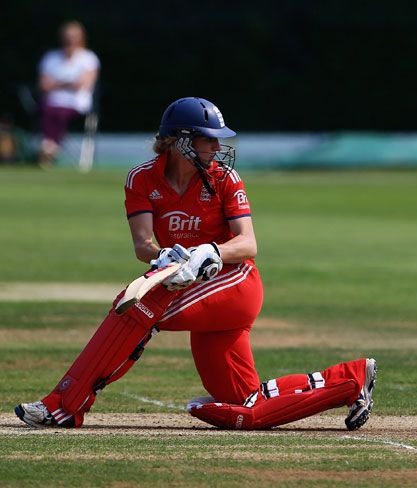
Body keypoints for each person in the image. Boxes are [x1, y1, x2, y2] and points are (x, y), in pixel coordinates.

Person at [15, 97, 377, 431]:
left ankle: (63, 404)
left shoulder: (224, 178)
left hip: (233, 284)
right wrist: (161, 256)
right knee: (243, 403)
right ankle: (350, 379)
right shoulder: (141, 178)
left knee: (136, 307)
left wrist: (213, 252)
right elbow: (142, 244)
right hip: (182, 280)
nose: (218, 148)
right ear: (181, 140)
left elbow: (248, 243)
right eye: (209, 140)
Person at [36, 20, 100, 165]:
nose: (70, 40)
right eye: (67, 36)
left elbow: (82, 84)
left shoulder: (89, 58)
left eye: (74, 36)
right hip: (51, 103)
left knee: (60, 113)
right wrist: (69, 83)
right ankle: (50, 146)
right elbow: (44, 85)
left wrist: (56, 83)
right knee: (47, 110)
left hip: (76, 104)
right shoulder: (51, 57)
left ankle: (48, 147)